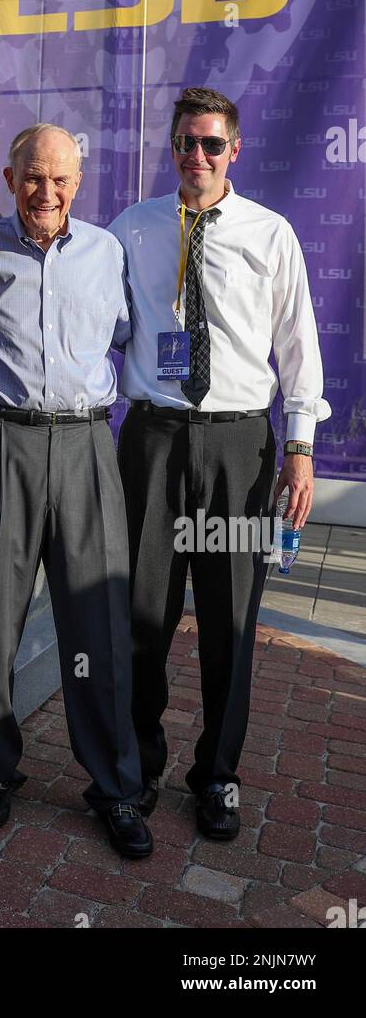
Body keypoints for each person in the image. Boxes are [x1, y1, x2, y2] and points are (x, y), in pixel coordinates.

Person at [109, 86, 330, 841]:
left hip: (239, 449)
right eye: (184, 143)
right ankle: (136, 767)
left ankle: (218, 776)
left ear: (235, 150)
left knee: (231, 620)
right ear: (170, 147)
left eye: (210, 144)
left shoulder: (271, 235)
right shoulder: (131, 230)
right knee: (143, 613)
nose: (195, 157)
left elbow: (299, 347)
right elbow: (90, 318)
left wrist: (298, 449)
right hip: (153, 443)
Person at [0, 124, 151, 858]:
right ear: (9, 179)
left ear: (79, 184)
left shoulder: (108, 254)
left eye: (61, 180)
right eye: (33, 177)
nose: (47, 192)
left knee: (96, 623)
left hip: (84, 446)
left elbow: (135, 334)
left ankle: (115, 788)